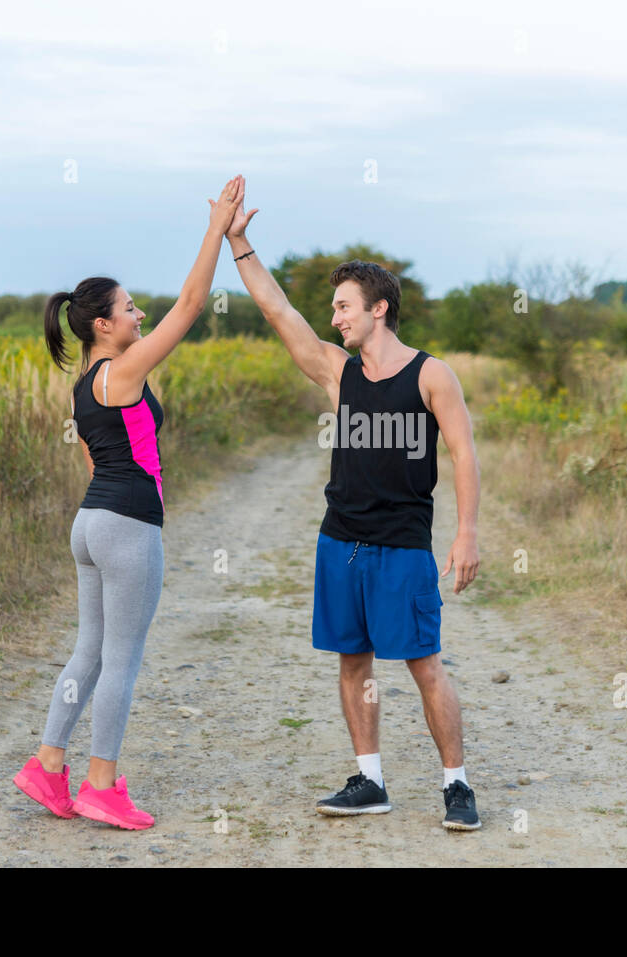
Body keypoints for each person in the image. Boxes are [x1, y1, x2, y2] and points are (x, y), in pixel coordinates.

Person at [226, 180, 483, 830]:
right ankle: (370, 779)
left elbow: (464, 454)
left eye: (344, 307)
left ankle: (456, 786)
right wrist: (238, 243)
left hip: (402, 547)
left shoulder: (431, 374)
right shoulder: (339, 373)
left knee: (425, 663)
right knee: (354, 662)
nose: (335, 317)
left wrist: (467, 534)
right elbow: (280, 313)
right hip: (340, 542)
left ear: (380, 309)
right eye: (335, 309)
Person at [13, 175, 244, 830]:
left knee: (88, 651)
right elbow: (193, 302)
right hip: (126, 525)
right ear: (105, 324)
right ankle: (101, 785)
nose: (142, 314)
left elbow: (94, 459)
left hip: (88, 524)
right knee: (121, 660)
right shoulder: (126, 370)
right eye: (133, 308)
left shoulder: (86, 385)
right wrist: (216, 231)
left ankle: (47, 766)